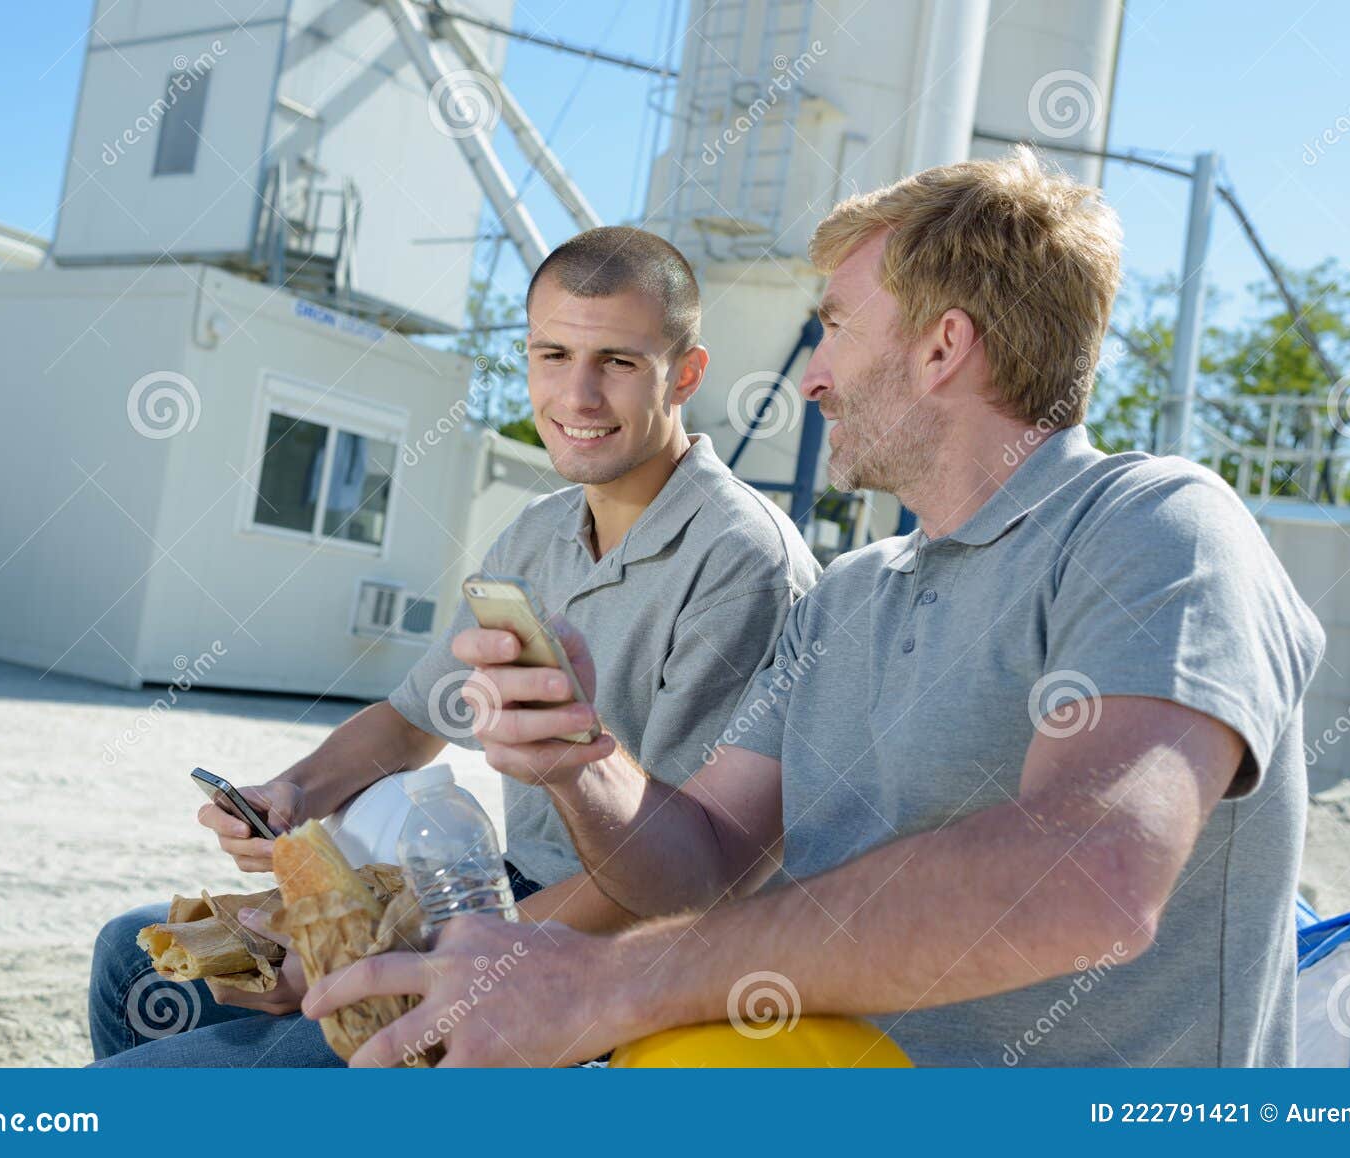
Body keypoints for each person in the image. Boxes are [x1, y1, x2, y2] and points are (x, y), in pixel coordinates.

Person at [304, 148, 1327, 1068]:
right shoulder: (849, 595)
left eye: (834, 326)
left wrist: (607, 984)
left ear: (941, 348)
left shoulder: (1154, 528)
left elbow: (1091, 874)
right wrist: (582, 755)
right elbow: (699, 864)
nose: (813, 377)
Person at [87, 226, 819, 1066]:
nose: (576, 395)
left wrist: (400, 959)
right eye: (552, 355)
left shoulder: (742, 562)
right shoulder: (536, 535)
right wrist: (286, 798)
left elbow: (685, 882)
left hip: (601, 951)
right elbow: (406, 724)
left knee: (188, 1075)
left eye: (617, 362)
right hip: (500, 893)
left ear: (685, 373)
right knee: (133, 957)